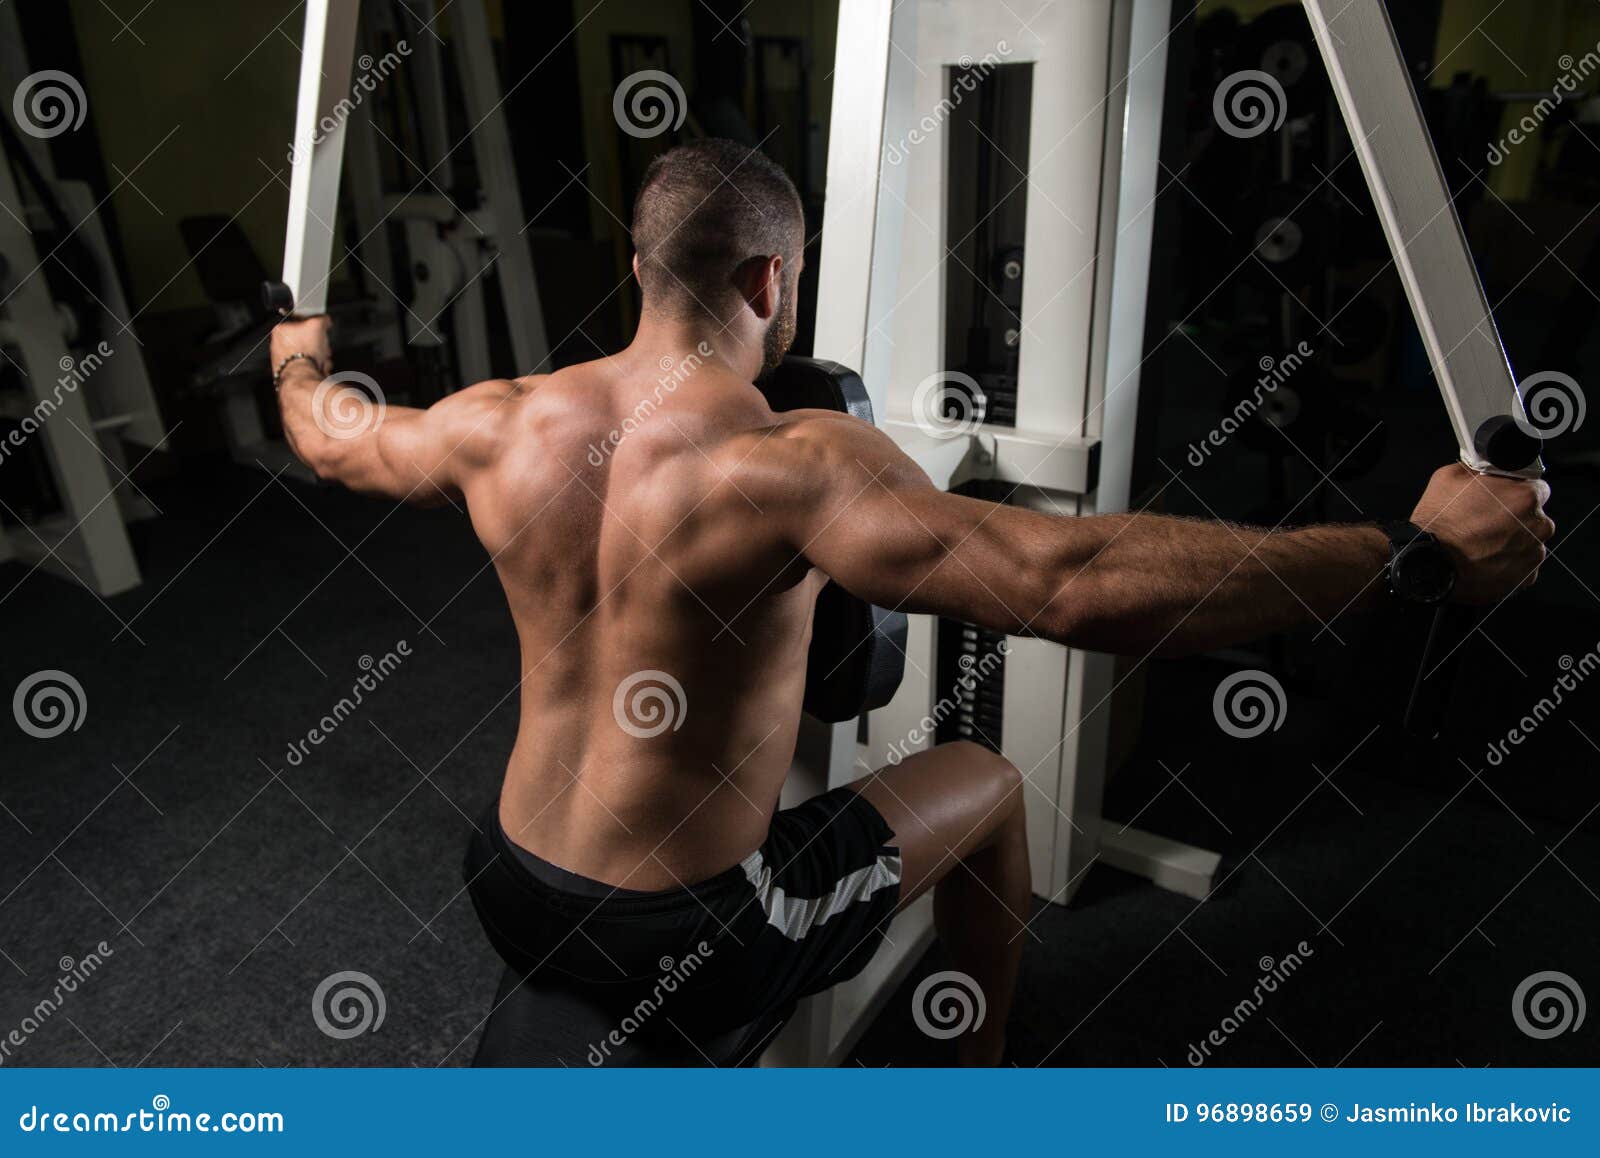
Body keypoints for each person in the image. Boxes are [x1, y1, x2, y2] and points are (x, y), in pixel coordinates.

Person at [268, 139, 1553, 1065]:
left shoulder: (497, 423)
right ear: (770, 284)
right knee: (986, 785)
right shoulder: (791, 465)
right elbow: (1067, 582)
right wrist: (1410, 551)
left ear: (641, 265)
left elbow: (328, 435)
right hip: (689, 933)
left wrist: (296, 343)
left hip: (505, 876)